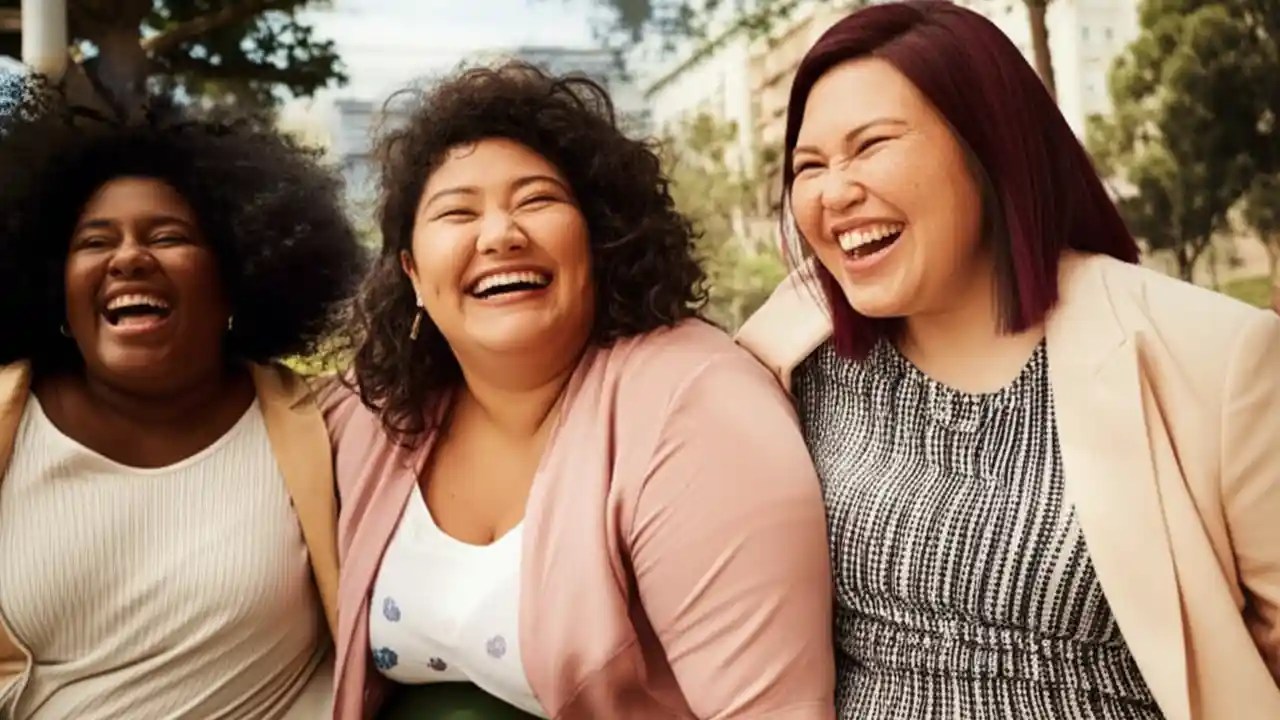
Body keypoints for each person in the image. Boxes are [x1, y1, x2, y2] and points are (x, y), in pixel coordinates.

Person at [735, 2, 1280, 719]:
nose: (834, 192)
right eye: (810, 166)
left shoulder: (1213, 355)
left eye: (871, 146)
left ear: (988, 147)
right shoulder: (793, 348)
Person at [325, 61, 835, 719]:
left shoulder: (696, 408)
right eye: (457, 212)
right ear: (414, 274)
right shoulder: (376, 417)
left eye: (537, 201)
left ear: (598, 242)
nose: (500, 234)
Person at [0, 82, 365, 719]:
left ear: (235, 280)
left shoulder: (327, 426)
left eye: (167, 237)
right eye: (95, 241)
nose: (129, 257)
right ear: (51, 287)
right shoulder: (8, 425)